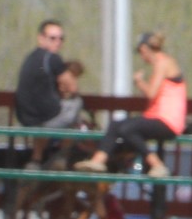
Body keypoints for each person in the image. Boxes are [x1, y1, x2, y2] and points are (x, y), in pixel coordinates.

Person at [79, 32, 186, 178]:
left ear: (144, 49)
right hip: (157, 118)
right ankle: (98, 161)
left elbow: (151, 93)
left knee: (127, 129)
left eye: (141, 53)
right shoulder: (161, 63)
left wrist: (139, 82)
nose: (143, 58)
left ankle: (157, 164)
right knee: (116, 125)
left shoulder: (163, 62)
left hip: (168, 122)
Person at [13, 20, 70, 129]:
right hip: (44, 117)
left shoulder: (30, 58)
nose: (58, 42)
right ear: (41, 38)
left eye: (61, 39)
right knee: (75, 103)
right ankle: (65, 147)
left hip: (25, 117)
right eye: (53, 38)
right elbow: (72, 87)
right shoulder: (52, 58)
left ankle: (42, 146)